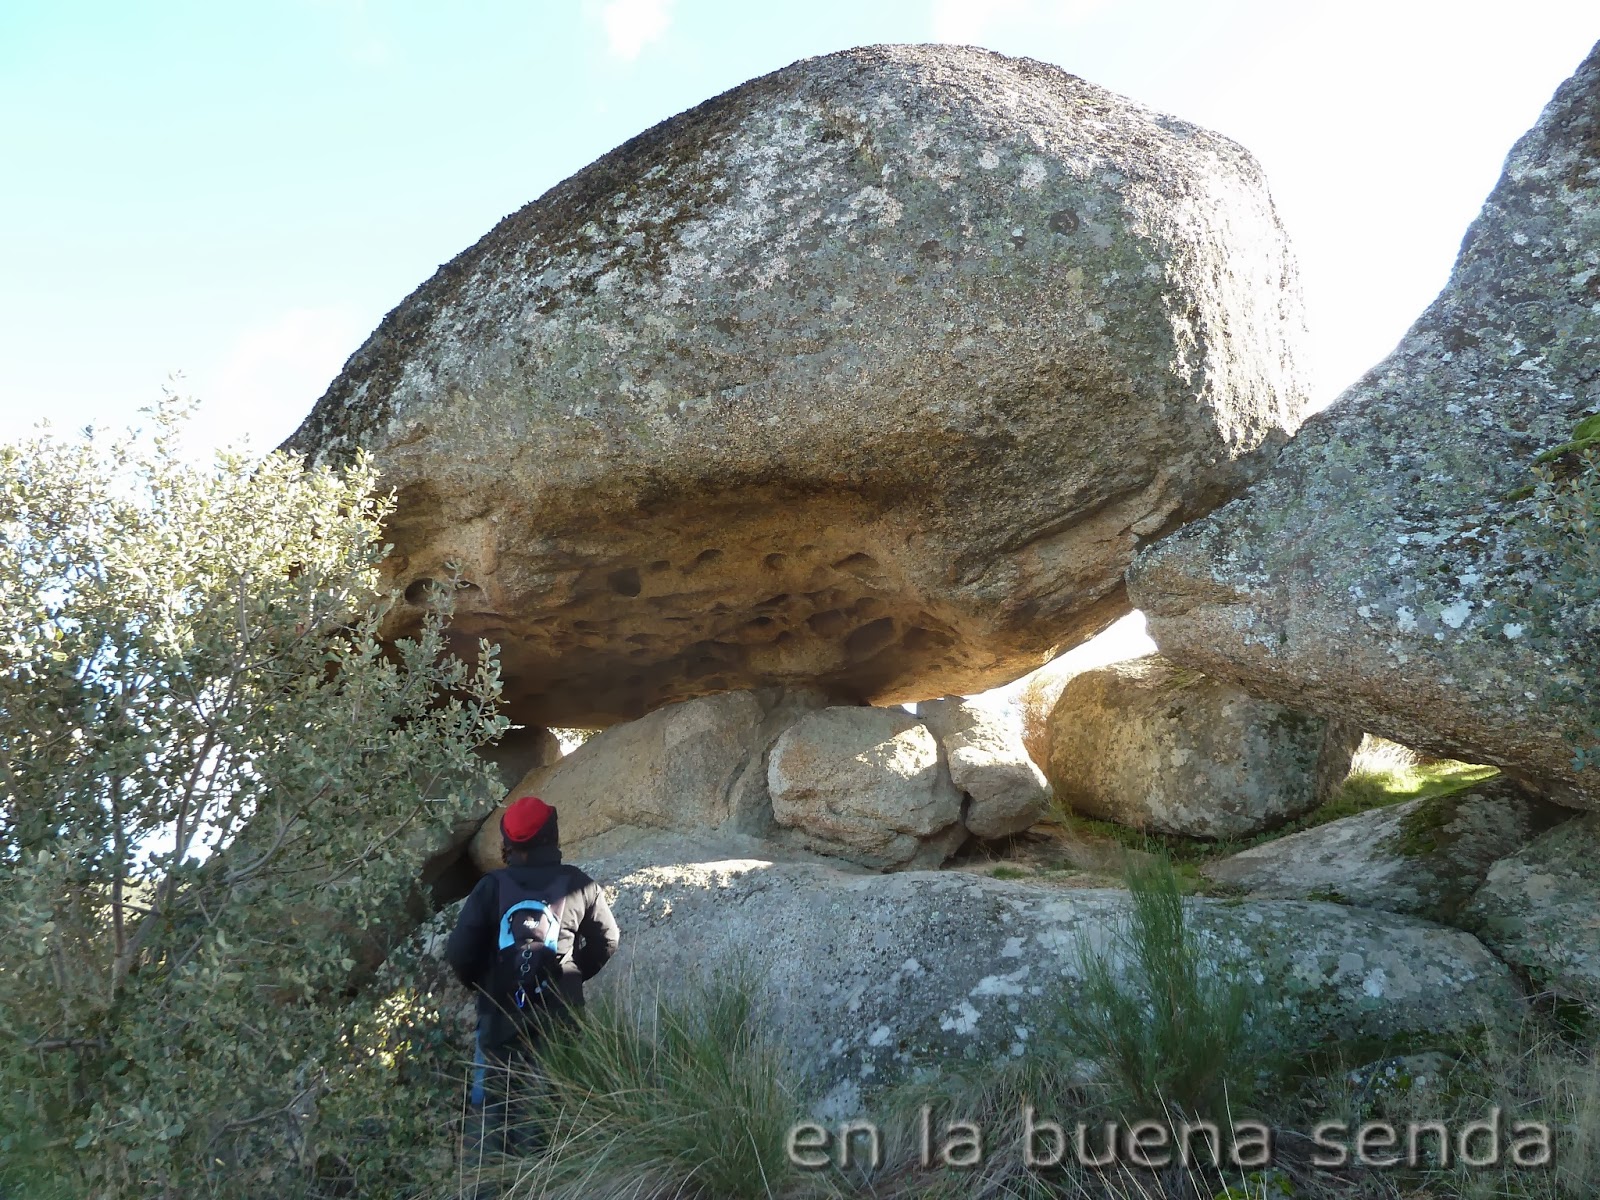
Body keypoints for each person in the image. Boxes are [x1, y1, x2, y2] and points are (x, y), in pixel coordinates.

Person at [445, 795, 621, 1155]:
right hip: (560, 1013)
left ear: (508, 844)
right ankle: (550, 1180)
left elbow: (461, 953)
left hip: (499, 1011)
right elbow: (608, 939)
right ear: (551, 836)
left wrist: (484, 985)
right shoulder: (580, 884)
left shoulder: (490, 887)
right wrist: (572, 975)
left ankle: (492, 1182)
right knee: (556, 1100)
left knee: (494, 1101)